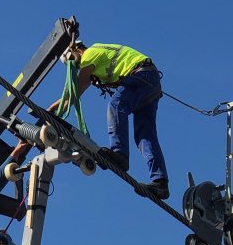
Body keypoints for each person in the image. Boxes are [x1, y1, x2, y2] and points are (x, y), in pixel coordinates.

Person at [72, 41, 169, 200]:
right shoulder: (99, 53)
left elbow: (74, 92)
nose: (77, 68)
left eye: (75, 65)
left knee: (116, 105)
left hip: (140, 75)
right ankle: (160, 182)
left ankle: (119, 154)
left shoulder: (88, 55)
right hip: (149, 79)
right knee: (145, 134)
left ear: (76, 51)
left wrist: (52, 109)